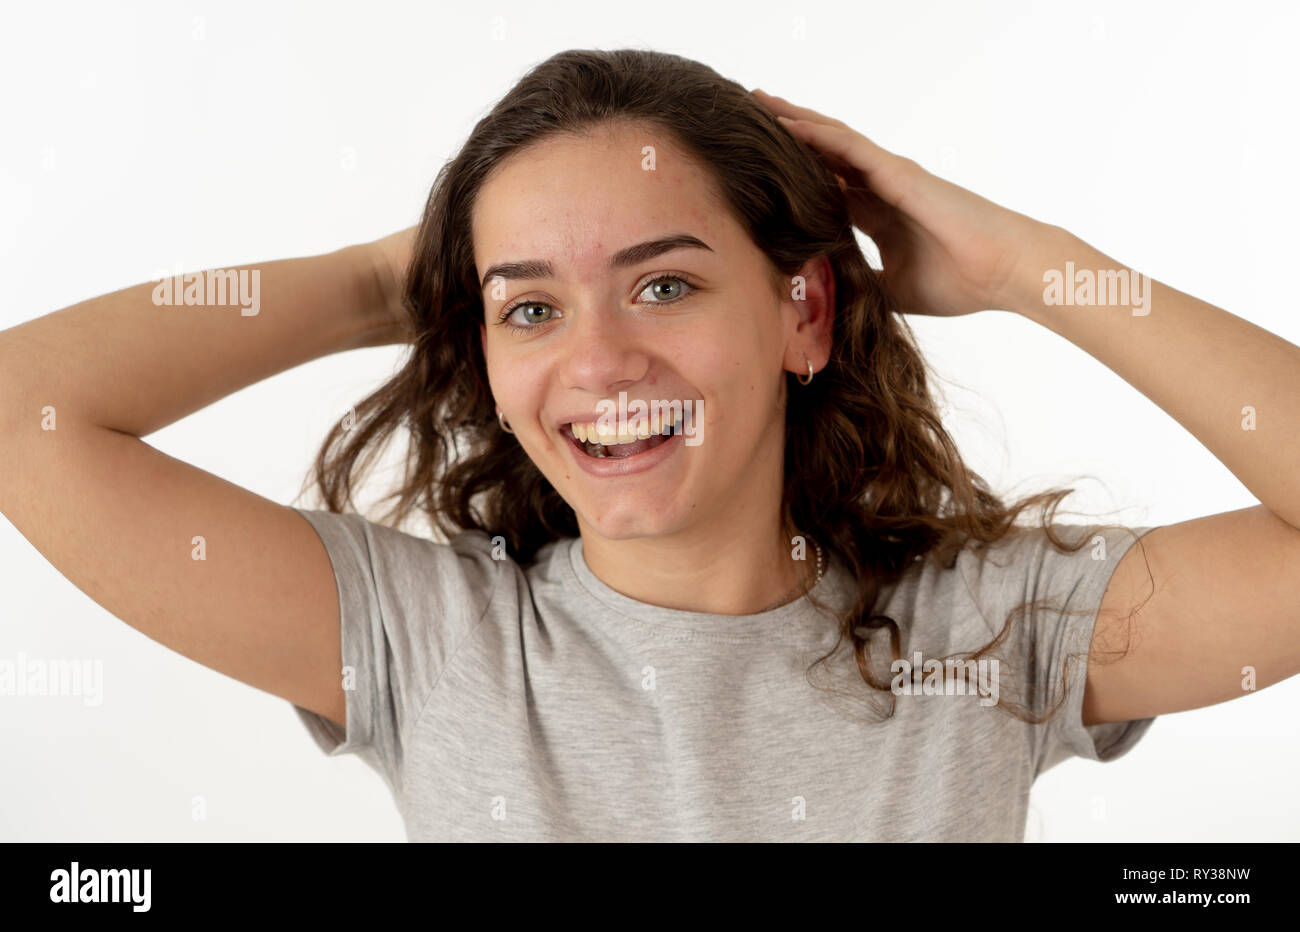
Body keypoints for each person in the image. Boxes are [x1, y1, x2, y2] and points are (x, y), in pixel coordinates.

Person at [3, 49, 1298, 842]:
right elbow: (23, 415)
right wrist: (385, 280)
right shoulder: (431, 645)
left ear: (805, 313)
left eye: (665, 285)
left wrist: (1025, 265)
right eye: (531, 310)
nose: (600, 362)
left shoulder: (993, 632)